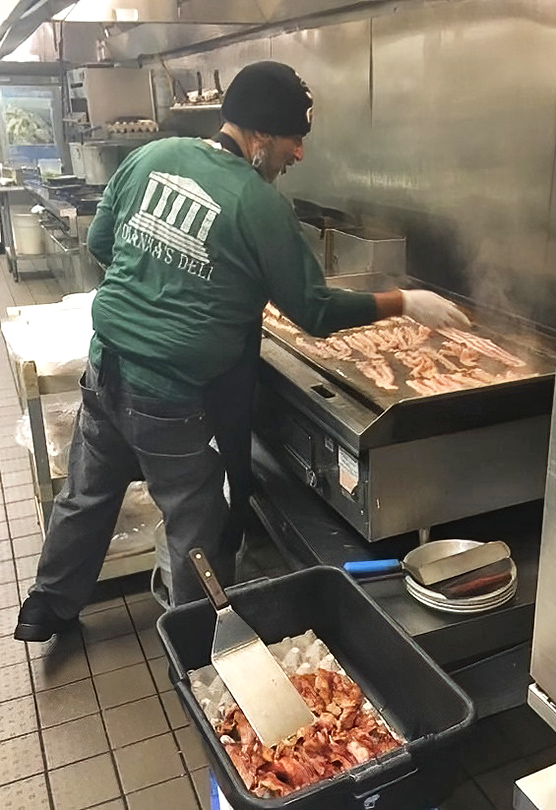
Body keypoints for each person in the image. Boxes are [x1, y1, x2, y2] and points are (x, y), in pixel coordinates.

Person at [14, 60, 469, 643]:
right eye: (292, 139)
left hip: (106, 370)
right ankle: (196, 644)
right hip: (174, 399)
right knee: (195, 524)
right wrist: (403, 301)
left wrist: (169, 279)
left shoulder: (153, 156)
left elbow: (103, 244)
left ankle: (46, 609)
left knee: (86, 494)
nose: (299, 154)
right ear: (258, 137)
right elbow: (315, 312)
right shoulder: (259, 204)